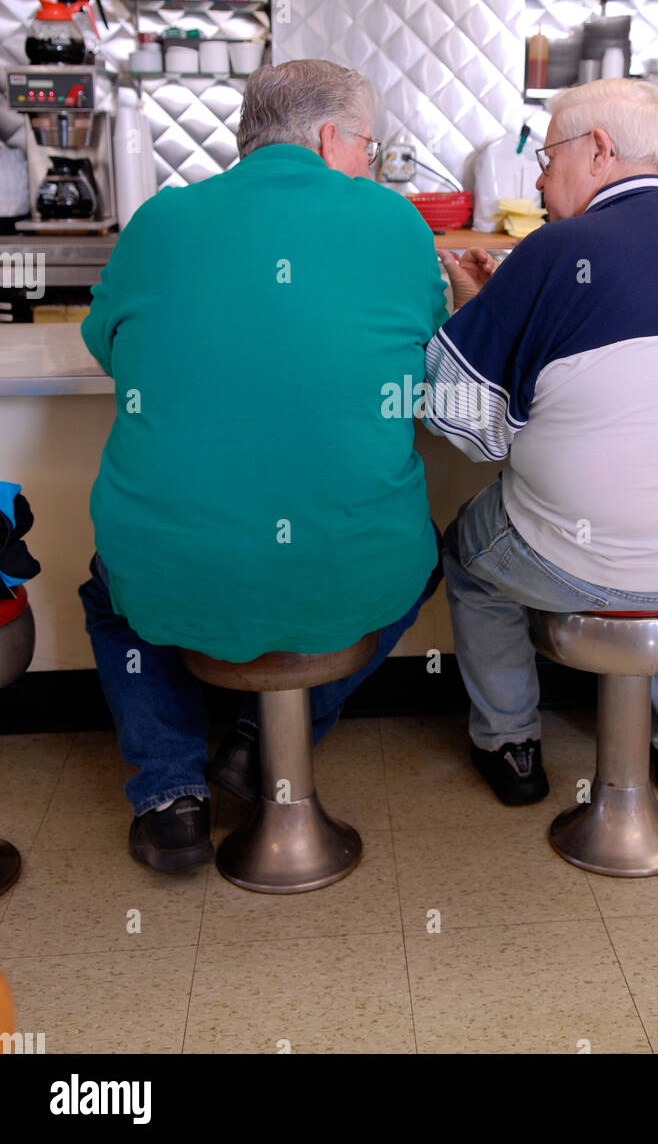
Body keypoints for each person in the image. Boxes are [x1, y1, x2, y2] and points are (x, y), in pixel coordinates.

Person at [79, 60, 445, 872]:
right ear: (326, 137)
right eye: (365, 145)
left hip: (172, 562)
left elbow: (107, 344)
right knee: (422, 561)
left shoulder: (158, 220)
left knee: (112, 598)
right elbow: (426, 344)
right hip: (353, 562)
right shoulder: (396, 224)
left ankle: (171, 796)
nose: (367, 164)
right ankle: (268, 735)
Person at [428, 78, 658, 804]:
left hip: (581, 559)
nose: (537, 174)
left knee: (469, 556)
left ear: (598, 149)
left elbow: (465, 426)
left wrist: (480, 314)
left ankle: (512, 745)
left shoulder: (556, 250)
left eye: (549, 153)